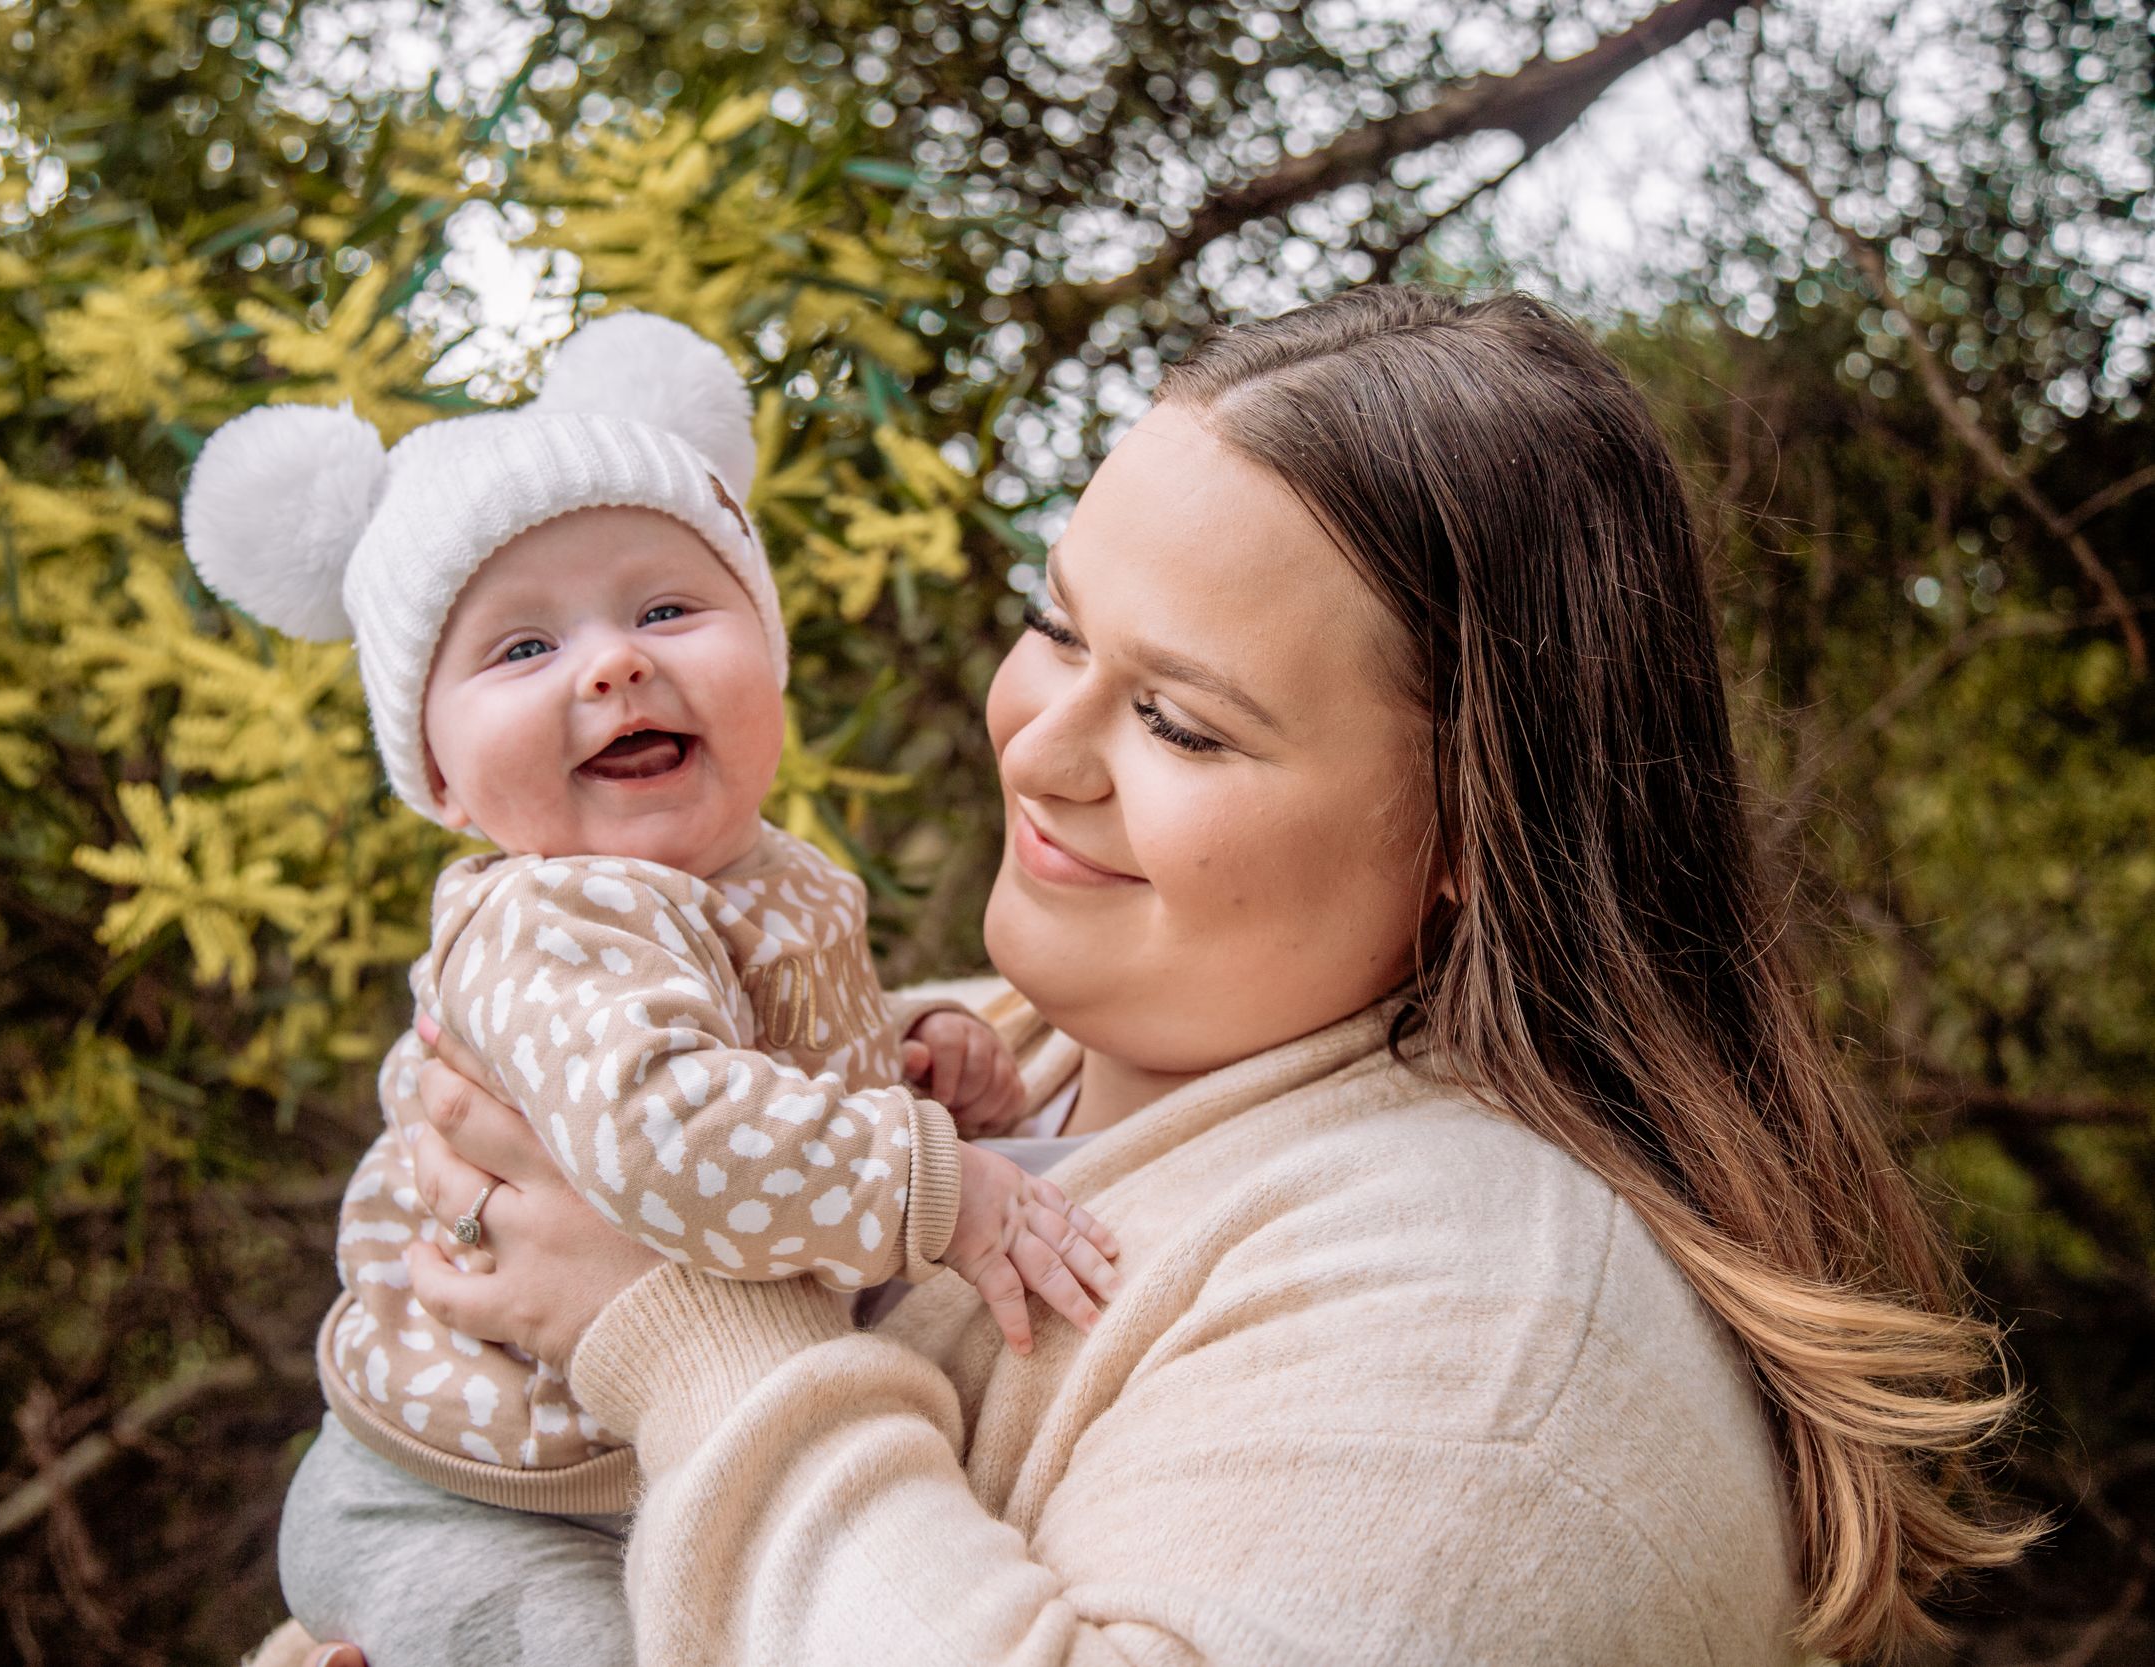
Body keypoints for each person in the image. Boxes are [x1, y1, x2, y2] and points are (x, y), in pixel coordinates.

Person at [253, 287, 2035, 1667]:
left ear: (1470, 833)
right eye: (1055, 622)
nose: (1041, 748)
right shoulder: (982, 1047)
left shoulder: (1489, 1340)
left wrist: (690, 1318)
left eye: (1181, 719)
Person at [180, 311, 1120, 1667]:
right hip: (465, 1502)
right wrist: (939, 1186)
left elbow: (764, 1062)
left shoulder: (763, 877)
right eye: (519, 649)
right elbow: (667, 1131)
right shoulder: (551, 918)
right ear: (439, 777)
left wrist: (912, 1051)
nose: (614, 662)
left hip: (630, 1478)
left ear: (769, 658)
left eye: (667, 607)